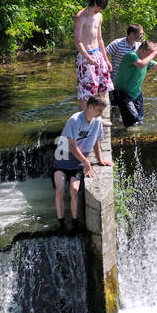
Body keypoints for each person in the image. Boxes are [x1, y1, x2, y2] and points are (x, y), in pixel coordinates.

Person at [52, 95, 112, 228]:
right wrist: (86, 162)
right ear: (90, 107)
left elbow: (96, 140)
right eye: (99, 111)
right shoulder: (75, 120)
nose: (101, 114)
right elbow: (72, 146)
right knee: (60, 188)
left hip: (77, 163)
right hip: (62, 160)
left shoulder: (97, 122)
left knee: (74, 190)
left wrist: (100, 160)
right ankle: (61, 223)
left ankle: (74, 222)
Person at [112, 39, 157, 127]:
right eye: (149, 54)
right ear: (142, 50)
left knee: (139, 121)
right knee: (133, 120)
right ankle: (123, 134)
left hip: (136, 94)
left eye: (151, 55)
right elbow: (142, 64)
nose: (150, 57)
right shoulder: (131, 55)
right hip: (122, 93)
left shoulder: (147, 61)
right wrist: (155, 52)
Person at [74, 0, 113, 102]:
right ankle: (85, 118)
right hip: (84, 56)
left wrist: (106, 60)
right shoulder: (81, 17)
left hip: (98, 54)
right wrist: (87, 57)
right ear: (92, 2)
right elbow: (77, 40)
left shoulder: (99, 16)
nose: (99, 10)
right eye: (97, 6)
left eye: (101, 8)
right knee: (87, 92)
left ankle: (98, 116)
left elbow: (99, 39)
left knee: (103, 86)